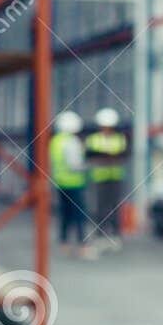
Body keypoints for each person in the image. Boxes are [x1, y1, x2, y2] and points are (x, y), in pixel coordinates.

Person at [51, 110, 94, 260]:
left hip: (60, 183)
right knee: (79, 216)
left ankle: (64, 244)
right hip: (75, 183)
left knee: (65, 215)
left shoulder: (55, 141)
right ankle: (84, 247)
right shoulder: (71, 141)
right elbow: (75, 165)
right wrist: (89, 165)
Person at [84, 107, 129, 250]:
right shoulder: (93, 139)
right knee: (100, 207)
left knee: (115, 207)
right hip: (100, 178)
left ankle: (115, 235)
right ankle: (100, 235)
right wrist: (109, 157)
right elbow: (90, 156)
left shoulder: (119, 138)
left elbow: (123, 156)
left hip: (115, 177)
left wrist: (104, 157)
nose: (106, 129)